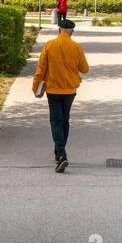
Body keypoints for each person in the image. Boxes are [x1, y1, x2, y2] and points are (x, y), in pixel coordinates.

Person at [32, 18, 89, 172]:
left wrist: (35, 87)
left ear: (59, 30)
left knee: (56, 120)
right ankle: (59, 152)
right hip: (70, 90)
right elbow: (84, 69)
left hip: (53, 90)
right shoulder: (76, 47)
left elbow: (40, 69)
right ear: (72, 32)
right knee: (65, 120)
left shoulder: (50, 46)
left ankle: (61, 154)